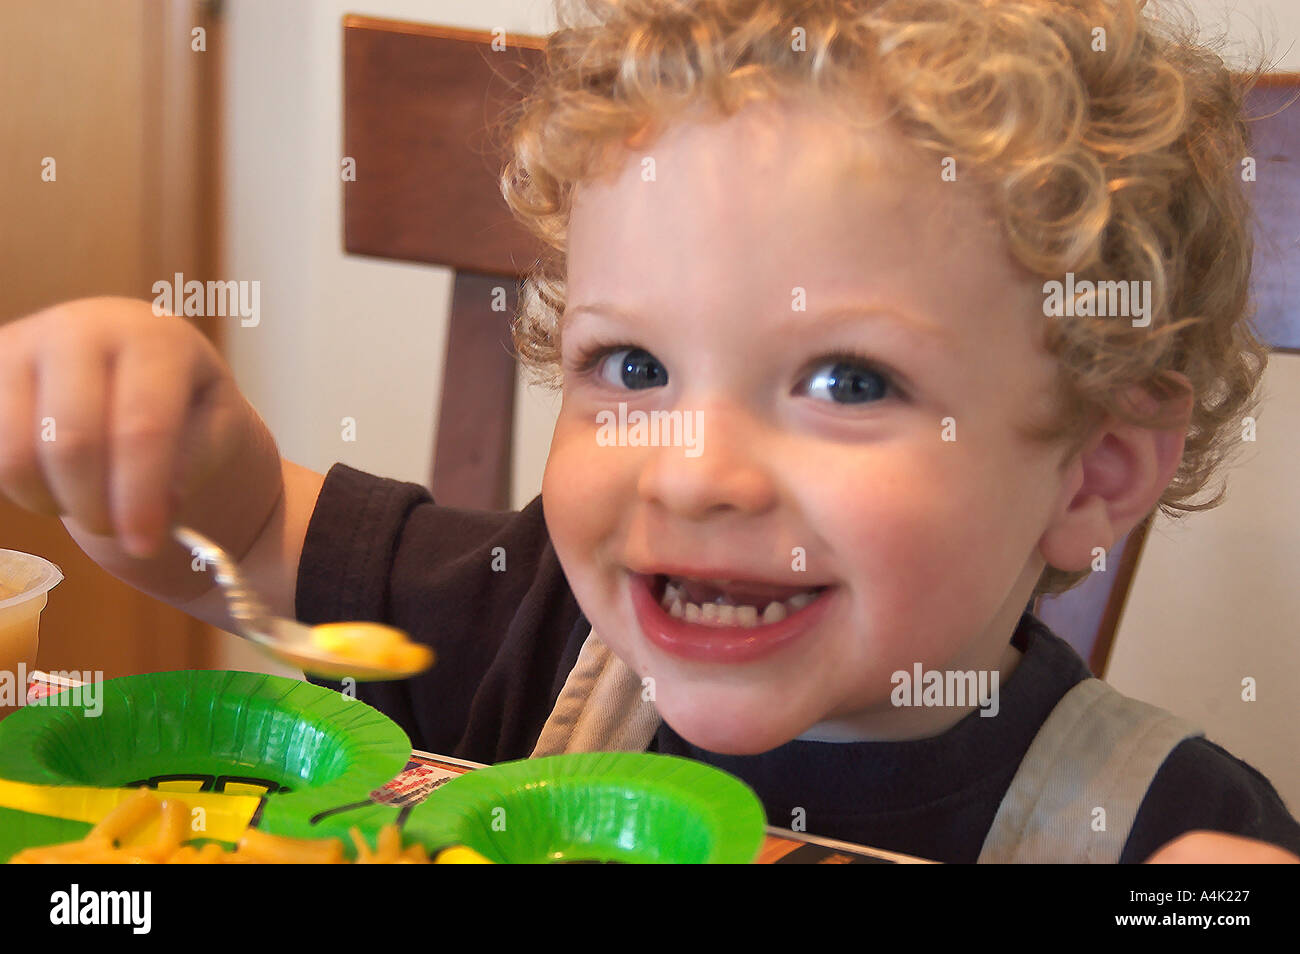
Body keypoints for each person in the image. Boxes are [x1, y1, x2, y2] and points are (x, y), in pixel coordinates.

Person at [1, 0, 1297, 863]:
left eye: (847, 382)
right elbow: (254, 529)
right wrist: (157, 423)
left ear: (1096, 469)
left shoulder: (1165, 826)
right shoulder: (527, 628)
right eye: (633, 363)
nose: (697, 471)